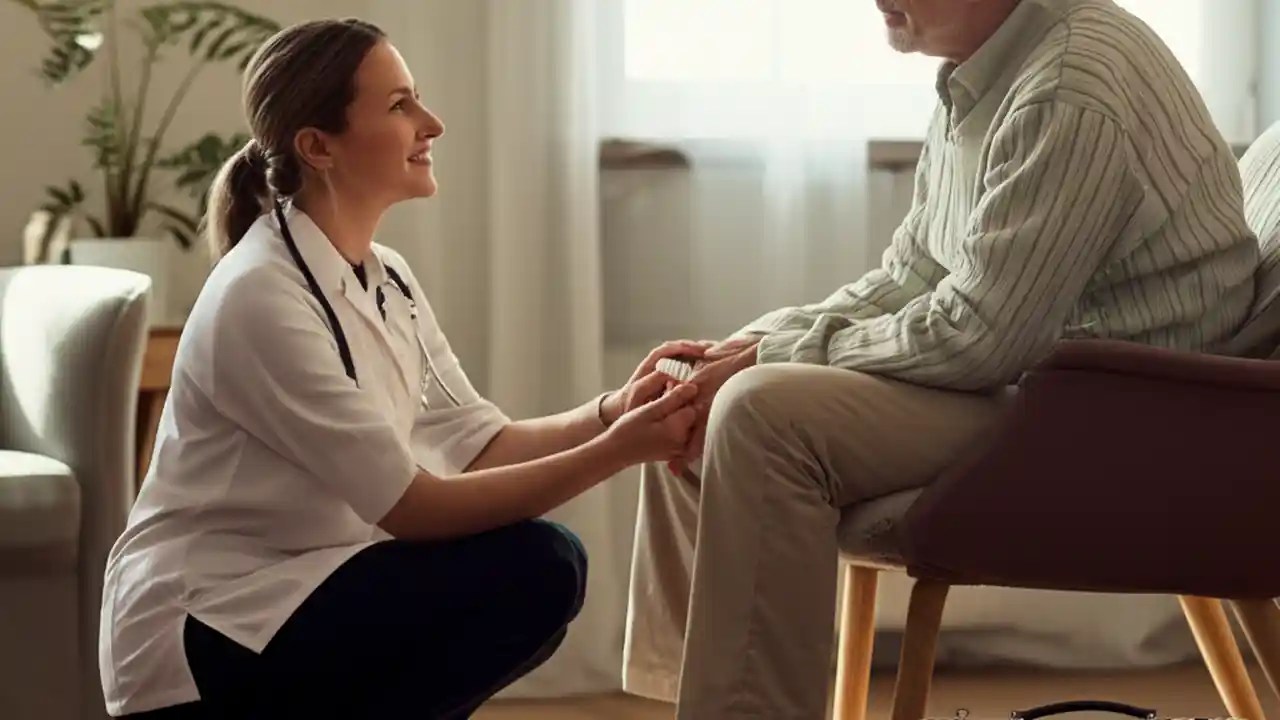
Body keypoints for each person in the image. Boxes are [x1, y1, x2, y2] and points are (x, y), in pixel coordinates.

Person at [623, 0, 1260, 717]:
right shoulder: (984, 74)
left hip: (1109, 418)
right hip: (1038, 383)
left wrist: (772, 357)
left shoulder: (1070, 86)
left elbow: (979, 337)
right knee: (691, 395)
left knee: (755, 413)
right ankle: (702, 702)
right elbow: (915, 274)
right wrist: (756, 341)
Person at [98, 18, 706, 719]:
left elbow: (479, 447)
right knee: (538, 567)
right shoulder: (259, 295)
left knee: (543, 569)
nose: (432, 123)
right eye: (399, 106)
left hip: (303, 588)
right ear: (318, 146)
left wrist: (614, 411)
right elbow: (414, 510)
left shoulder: (388, 278)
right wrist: (620, 452)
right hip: (208, 625)